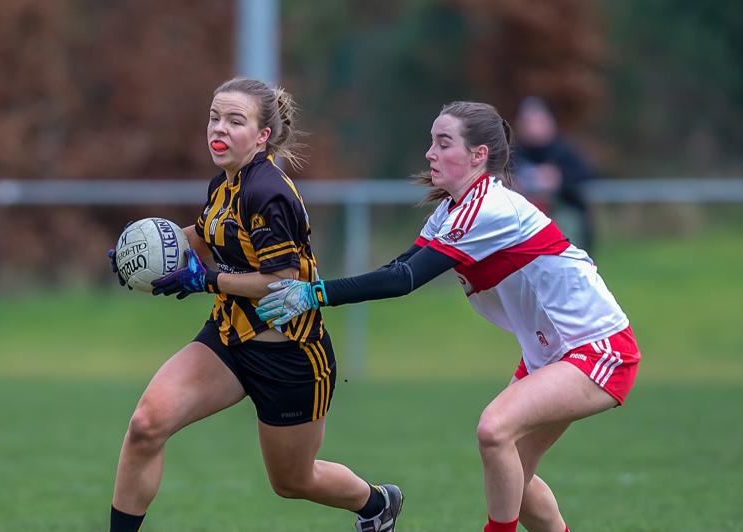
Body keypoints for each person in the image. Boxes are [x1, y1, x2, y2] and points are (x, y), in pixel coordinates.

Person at [257, 101, 640, 532]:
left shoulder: (491, 208)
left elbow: (405, 279)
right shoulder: (452, 212)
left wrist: (315, 294)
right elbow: (396, 269)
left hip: (598, 348)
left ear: (478, 155)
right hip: (548, 355)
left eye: (443, 143)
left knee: (495, 431)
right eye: (431, 142)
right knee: (518, 477)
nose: (430, 153)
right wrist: (315, 288)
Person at [106, 77, 403, 532]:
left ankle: (376, 504)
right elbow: (206, 234)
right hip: (228, 340)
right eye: (213, 117)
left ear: (263, 135)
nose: (218, 129)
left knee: (292, 480)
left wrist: (207, 281)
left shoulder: (269, 192)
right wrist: (141, 253)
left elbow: (281, 282)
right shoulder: (224, 184)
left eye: (234, 120)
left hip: (290, 355)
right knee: (147, 425)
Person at [511, 96, 596, 254]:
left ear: (550, 121)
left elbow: (586, 176)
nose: (533, 126)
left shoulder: (565, 150)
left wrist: (557, 179)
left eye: (538, 120)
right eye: (528, 121)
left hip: (562, 217)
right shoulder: (512, 154)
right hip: (523, 222)